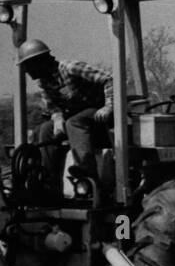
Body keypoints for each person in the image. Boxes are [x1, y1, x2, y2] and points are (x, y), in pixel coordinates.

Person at [16, 39, 113, 183]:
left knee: (74, 122)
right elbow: (52, 106)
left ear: (40, 61)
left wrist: (109, 106)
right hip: (79, 113)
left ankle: (85, 174)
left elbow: (109, 79)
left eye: (28, 66)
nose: (27, 71)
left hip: (99, 109)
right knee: (46, 129)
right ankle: (48, 179)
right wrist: (57, 118)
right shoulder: (43, 82)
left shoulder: (71, 68)